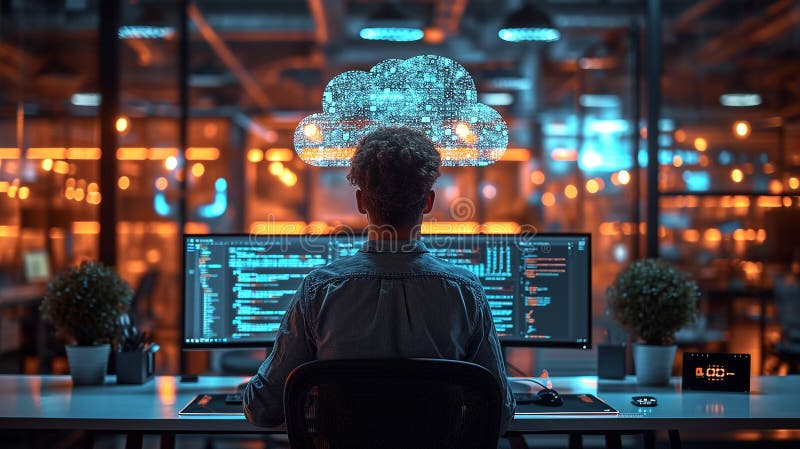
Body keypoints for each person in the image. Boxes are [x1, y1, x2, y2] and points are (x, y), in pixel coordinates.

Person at [243, 126, 515, 432]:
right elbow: (500, 414)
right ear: (428, 202)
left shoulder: (319, 291)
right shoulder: (465, 292)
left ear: (361, 202)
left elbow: (263, 409)